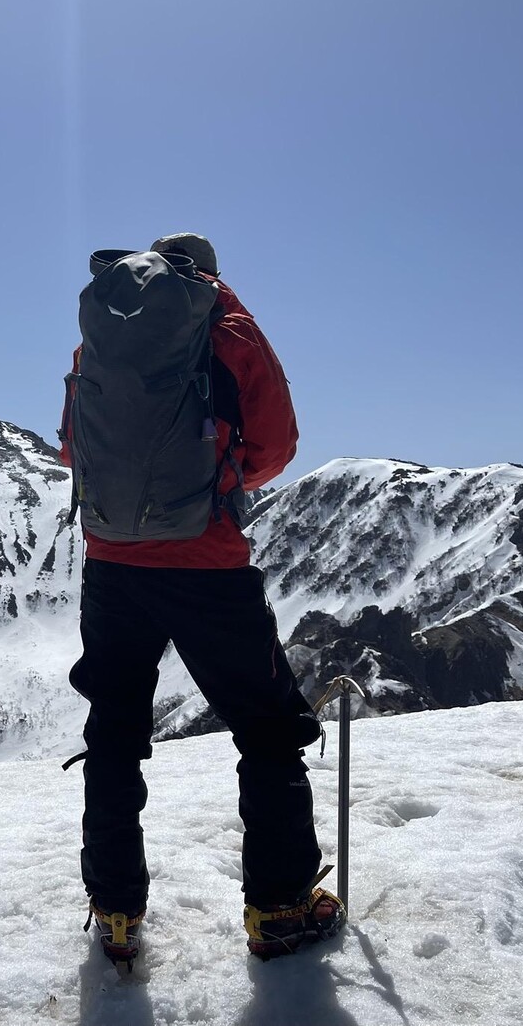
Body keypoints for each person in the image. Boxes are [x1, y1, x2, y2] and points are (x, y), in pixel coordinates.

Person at [58, 232, 345, 964]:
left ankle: (115, 909)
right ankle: (279, 908)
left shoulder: (101, 335)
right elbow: (276, 447)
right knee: (267, 728)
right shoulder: (229, 327)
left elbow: (72, 447)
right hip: (206, 564)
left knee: (113, 733)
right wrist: (215, 482)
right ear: (209, 274)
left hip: (110, 565)